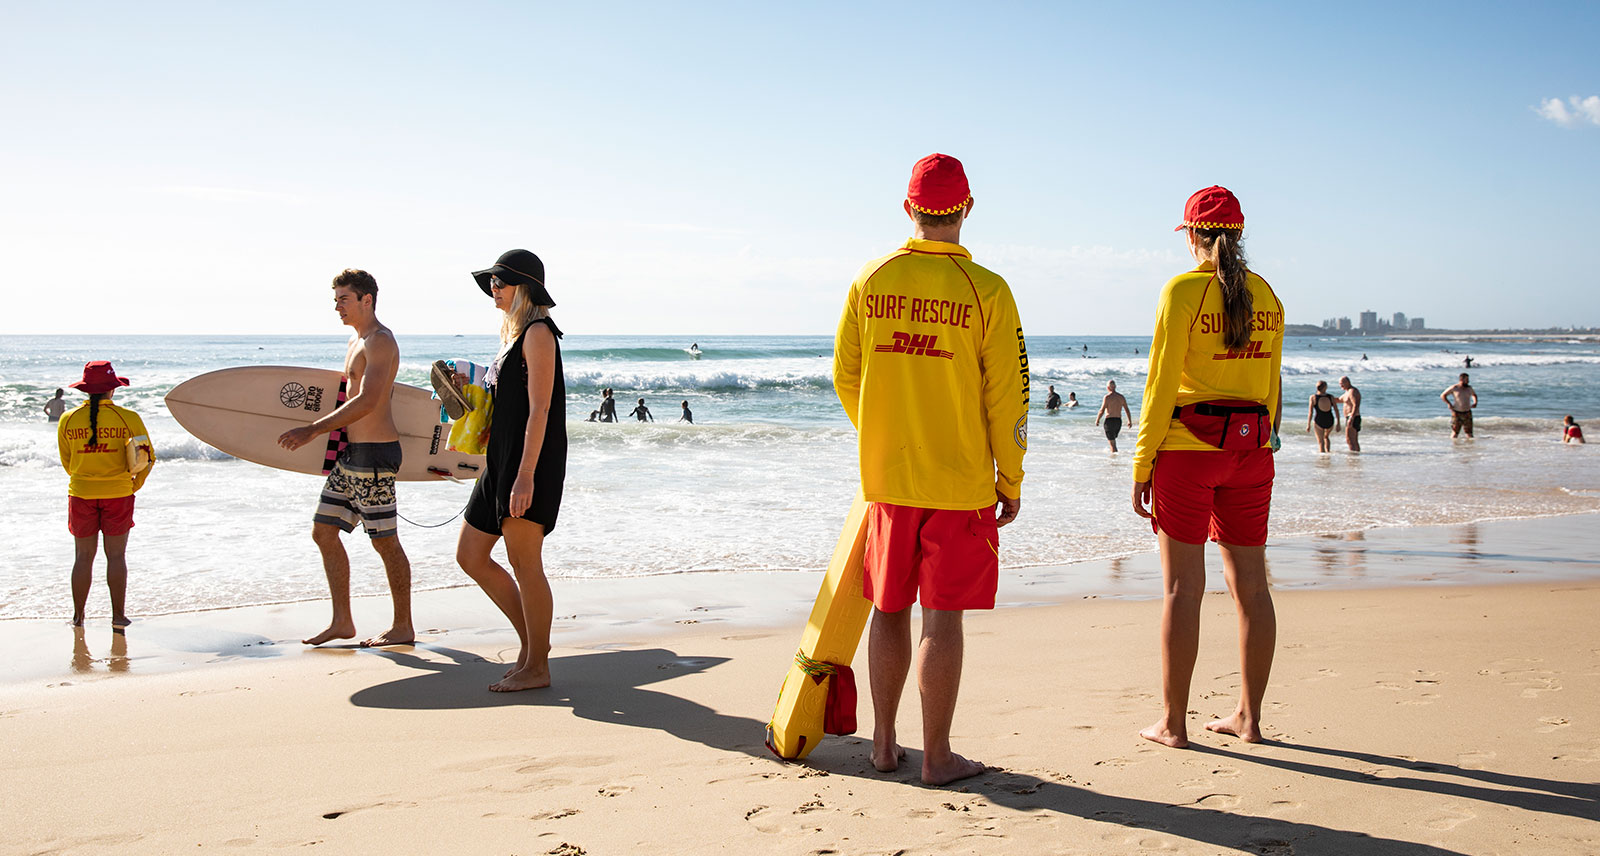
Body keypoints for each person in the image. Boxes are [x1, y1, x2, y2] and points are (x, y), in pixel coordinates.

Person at [833, 153, 1027, 785]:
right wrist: (1010, 475)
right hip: (960, 481)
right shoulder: (988, 290)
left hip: (889, 479)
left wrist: (884, 435)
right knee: (942, 618)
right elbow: (1008, 394)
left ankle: (885, 745)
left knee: (887, 608)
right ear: (966, 208)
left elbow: (846, 375)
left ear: (909, 208)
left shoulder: (873, 276)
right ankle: (938, 758)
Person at [1131, 186, 1284, 748]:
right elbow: (1271, 391)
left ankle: (1174, 724)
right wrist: (1257, 449)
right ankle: (1250, 719)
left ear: (1193, 235)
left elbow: (1160, 384)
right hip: (1251, 454)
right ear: (1238, 234)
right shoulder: (1266, 294)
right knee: (1253, 588)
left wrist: (1142, 463)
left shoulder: (1183, 290)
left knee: (1181, 589)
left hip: (1187, 453)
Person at [277, 269, 414, 648]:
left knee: (385, 542)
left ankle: (403, 625)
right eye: (335, 299)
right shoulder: (357, 341)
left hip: (374, 456)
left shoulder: (380, 341)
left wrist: (312, 429)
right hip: (351, 454)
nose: (337, 306)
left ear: (366, 299)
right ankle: (342, 621)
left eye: (344, 299)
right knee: (323, 531)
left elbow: (369, 400)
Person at [453, 249, 567, 692]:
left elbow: (540, 410)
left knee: (525, 563)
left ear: (524, 287)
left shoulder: (539, 334)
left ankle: (538, 664)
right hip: (500, 462)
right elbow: (508, 407)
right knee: (471, 555)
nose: (493, 290)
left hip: (528, 465)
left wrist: (525, 476)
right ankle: (531, 646)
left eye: (499, 282)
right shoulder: (514, 336)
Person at [58, 361, 154, 627]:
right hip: (118, 495)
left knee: (82, 558)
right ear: (112, 389)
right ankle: (118, 616)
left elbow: (67, 462)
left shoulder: (68, 419)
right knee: (116, 556)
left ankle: (78, 617)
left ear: (87, 390)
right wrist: (132, 485)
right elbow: (147, 458)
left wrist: (86, 477)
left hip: (81, 494)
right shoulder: (129, 418)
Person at [1096, 380, 1134, 453]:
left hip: (1109, 421)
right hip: (1118, 422)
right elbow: (1127, 409)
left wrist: (1097, 420)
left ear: (1108, 388)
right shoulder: (1121, 397)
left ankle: (1114, 460)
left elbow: (1102, 410)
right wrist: (1129, 421)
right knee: (1113, 441)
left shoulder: (1107, 397)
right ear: (1115, 387)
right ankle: (1115, 457)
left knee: (1112, 444)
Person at [1306, 380, 1338, 453]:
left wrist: (1308, 425)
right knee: (1326, 437)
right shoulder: (1331, 397)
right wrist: (1338, 423)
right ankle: (1328, 454)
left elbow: (1310, 412)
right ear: (1325, 387)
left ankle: (1323, 459)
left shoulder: (1313, 397)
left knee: (1321, 442)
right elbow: (1336, 410)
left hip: (1319, 420)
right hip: (1330, 420)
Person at [1441, 373, 1477, 438]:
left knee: (1469, 433)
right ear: (1461, 379)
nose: (1468, 381)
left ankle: (1470, 447)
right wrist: (1449, 403)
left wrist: (1475, 402)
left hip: (1467, 412)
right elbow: (1443, 395)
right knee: (1455, 432)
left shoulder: (1469, 388)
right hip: (1457, 412)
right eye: (1466, 379)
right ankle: (1453, 446)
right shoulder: (1455, 388)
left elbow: (1474, 395)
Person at [1339, 376, 1361, 452]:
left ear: (1347, 382)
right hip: (1350, 417)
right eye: (1339, 384)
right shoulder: (1347, 392)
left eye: (1342, 383)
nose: (1340, 385)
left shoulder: (1352, 391)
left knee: (1350, 440)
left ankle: (1354, 458)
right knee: (1352, 440)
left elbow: (1356, 405)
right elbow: (1338, 400)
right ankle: (1356, 456)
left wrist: (1351, 417)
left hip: (1352, 417)